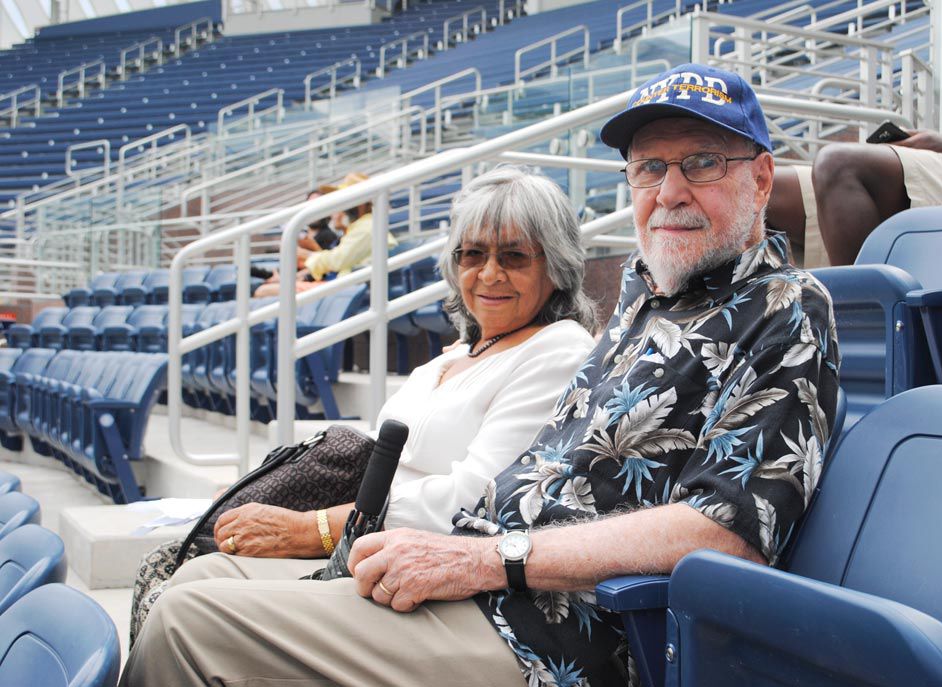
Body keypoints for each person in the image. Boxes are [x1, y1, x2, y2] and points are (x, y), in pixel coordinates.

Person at [123, 64, 840, 687]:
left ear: (762, 175)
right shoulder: (641, 297)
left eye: (702, 162)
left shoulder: (787, 308)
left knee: (190, 624)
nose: (670, 189)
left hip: (556, 633)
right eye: (649, 167)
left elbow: (727, 532)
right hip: (481, 576)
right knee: (196, 575)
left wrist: (485, 557)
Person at [128, 166, 598, 645]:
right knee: (178, 574)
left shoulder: (557, 349)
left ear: (555, 266)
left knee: (185, 610)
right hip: (368, 548)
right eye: (473, 254)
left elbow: (475, 499)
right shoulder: (465, 349)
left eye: (514, 256)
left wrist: (311, 529)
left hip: (430, 579)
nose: (489, 272)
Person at [769, 0, 942, 266]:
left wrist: (940, 145)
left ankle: (861, 304)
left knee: (839, 163)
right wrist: (929, 144)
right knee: (763, 187)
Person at [255, 172, 397, 297]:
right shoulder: (364, 226)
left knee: (264, 291)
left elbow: (337, 261)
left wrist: (307, 254)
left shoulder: (366, 227)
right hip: (347, 286)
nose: (339, 207)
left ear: (359, 203)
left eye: (345, 201)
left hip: (348, 290)